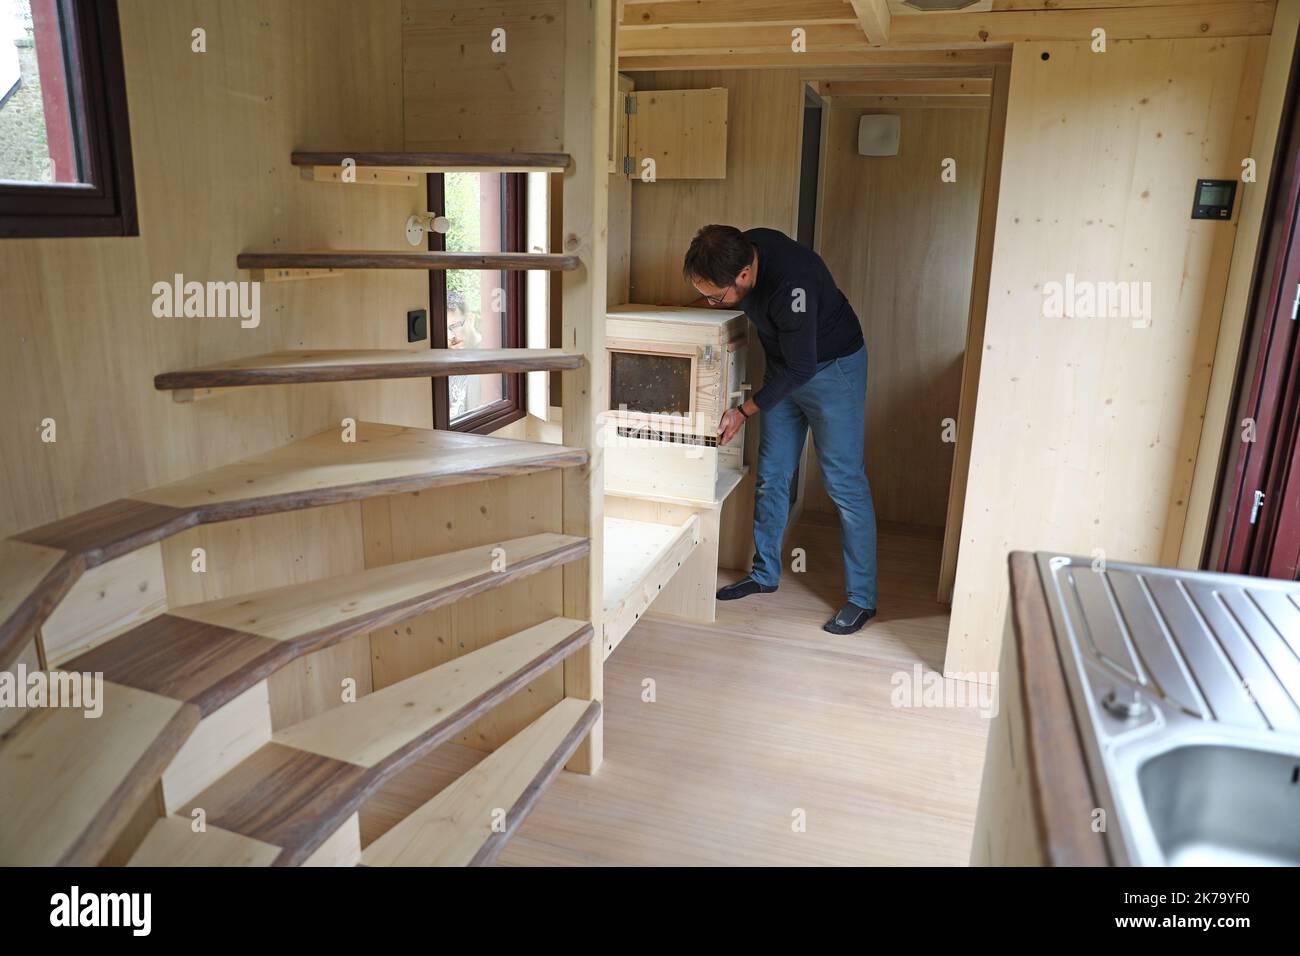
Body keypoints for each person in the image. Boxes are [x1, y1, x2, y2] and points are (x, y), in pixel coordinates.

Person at [683, 224, 879, 635]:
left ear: (743, 276)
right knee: (772, 475)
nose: (711, 302)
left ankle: (862, 598)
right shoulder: (745, 244)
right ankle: (764, 573)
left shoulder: (794, 286)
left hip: (831, 370)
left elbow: (804, 367)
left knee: (844, 483)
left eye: (715, 296)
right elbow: (789, 365)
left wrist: (744, 411)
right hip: (784, 370)